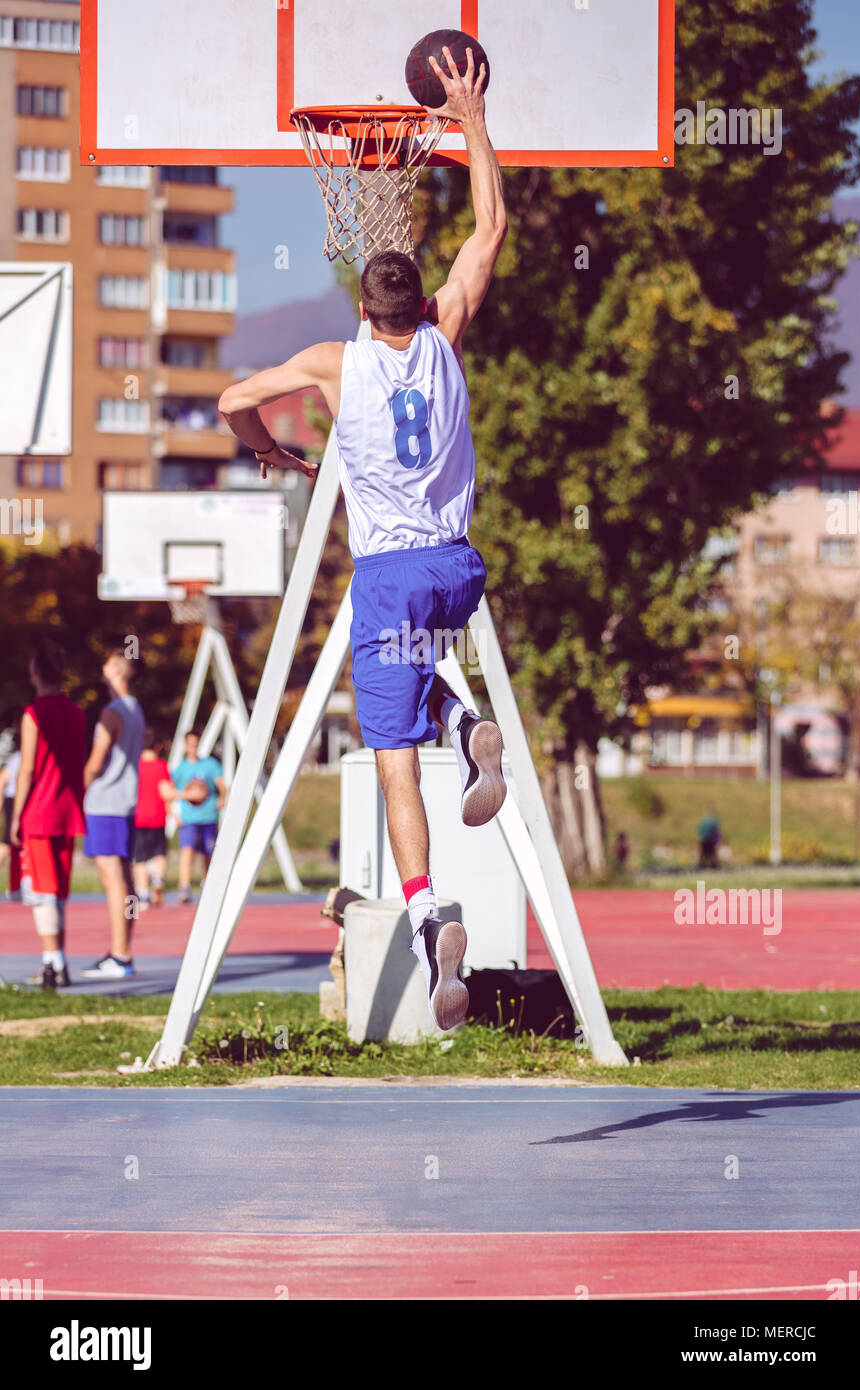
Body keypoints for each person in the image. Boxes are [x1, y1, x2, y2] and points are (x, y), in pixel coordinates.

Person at [218, 46, 508, 1031]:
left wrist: (272, 455)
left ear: (359, 308)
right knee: (430, 660)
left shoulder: (330, 365)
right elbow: (491, 227)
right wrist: (465, 115)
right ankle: (470, 727)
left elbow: (230, 399)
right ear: (421, 302)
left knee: (390, 762)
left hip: (384, 578)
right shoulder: (448, 329)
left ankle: (429, 921)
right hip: (455, 567)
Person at [9, 639, 86, 989]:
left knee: (42, 892)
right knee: (57, 892)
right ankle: (57, 960)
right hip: (68, 810)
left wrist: (15, 817)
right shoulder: (78, 713)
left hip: (40, 809)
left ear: (35, 671)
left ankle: (53, 965)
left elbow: (26, 769)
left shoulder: (34, 714)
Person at [81, 649, 146, 978]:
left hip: (106, 803)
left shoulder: (112, 712)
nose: (102, 669)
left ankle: (120, 956)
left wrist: (78, 785)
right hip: (123, 803)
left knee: (114, 879)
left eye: (107, 664)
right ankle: (122, 953)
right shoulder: (135, 709)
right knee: (125, 879)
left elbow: (95, 762)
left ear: (119, 670)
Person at [166, 731, 227, 903]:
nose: (192, 747)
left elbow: (222, 785)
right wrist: (172, 814)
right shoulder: (181, 769)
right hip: (188, 819)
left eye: (195, 744)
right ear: (185, 745)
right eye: (190, 744)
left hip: (208, 817)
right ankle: (184, 887)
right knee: (187, 850)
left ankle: (207, 884)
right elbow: (168, 792)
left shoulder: (210, 765)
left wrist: (223, 797)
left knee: (208, 852)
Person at [132, 728, 172, 911]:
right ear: (157, 746)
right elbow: (165, 792)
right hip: (157, 817)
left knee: (139, 858)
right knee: (159, 854)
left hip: (138, 818)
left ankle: (143, 895)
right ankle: (157, 880)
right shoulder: (161, 766)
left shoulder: (135, 767)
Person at [0, 729, 23, 900]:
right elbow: (2, 781)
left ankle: (19, 885)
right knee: (8, 843)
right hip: (14, 800)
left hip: (16, 800)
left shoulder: (18, 757)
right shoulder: (19, 758)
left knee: (17, 846)